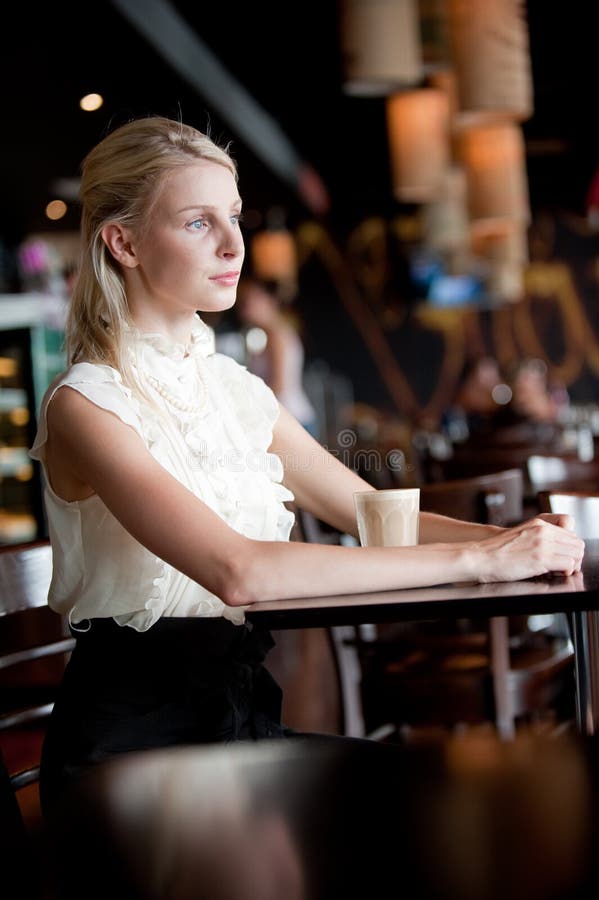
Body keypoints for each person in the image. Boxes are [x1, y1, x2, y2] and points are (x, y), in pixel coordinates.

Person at [29, 115, 584, 814]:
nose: (233, 244)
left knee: (459, 799)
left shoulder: (232, 389)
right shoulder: (86, 403)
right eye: (198, 222)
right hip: (130, 766)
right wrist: (481, 561)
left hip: (236, 733)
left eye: (234, 216)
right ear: (124, 242)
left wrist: (513, 542)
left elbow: (367, 513)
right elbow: (239, 571)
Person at [236, 276, 318, 436]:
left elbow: (279, 385)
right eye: (242, 300)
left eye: (251, 298)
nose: (244, 305)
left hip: (292, 419)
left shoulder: (276, 336)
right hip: (289, 418)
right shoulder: (271, 334)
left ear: (270, 301)